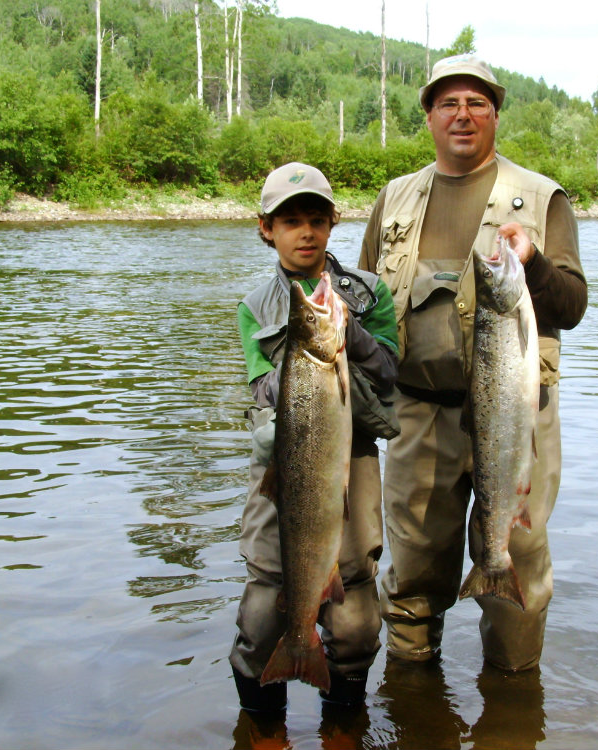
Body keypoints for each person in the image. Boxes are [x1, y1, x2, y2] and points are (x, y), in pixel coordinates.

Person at [358, 55, 588, 671]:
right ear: (429, 115)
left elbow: (572, 307)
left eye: (477, 103)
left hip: (516, 419)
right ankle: (411, 702)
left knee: (517, 567)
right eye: (448, 104)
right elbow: (367, 309)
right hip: (417, 420)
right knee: (408, 576)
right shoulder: (394, 198)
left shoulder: (541, 198)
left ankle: (513, 707)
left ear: (495, 114)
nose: (463, 115)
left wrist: (533, 262)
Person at [230, 162, 399, 712]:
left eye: (316, 220)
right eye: (291, 221)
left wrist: (350, 332)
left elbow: (393, 370)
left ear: (333, 223)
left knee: (353, 620)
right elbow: (262, 389)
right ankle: (264, 727)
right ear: (266, 229)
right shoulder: (254, 307)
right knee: (261, 615)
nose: (306, 232)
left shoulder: (370, 294)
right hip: (283, 462)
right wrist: (309, 346)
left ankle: (343, 725)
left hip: (349, 462)